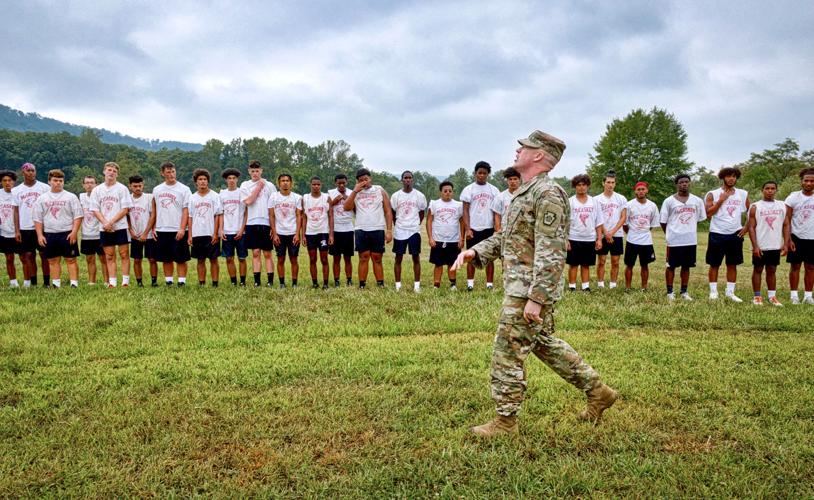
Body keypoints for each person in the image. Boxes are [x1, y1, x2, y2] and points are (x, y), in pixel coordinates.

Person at [453, 130, 617, 437]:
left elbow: (551, 251)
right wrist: (475, 251)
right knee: (542, 344)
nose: (518, 151)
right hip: (521, 287)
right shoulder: (525, 192)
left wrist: (537, 299)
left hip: (528, 291)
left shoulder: (548, 194)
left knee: (507, 351)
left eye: (524, 147)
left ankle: (505, 422)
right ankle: (598, 391)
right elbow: (508, 238)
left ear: (539, 155)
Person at [704, 167, 750, 301]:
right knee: (714, 264)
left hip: (735, 233)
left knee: (732, 264)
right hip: (717, 233)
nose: (731, 179)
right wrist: (720, 200)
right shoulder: (713, 193)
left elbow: (752, 211)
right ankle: (713, 292)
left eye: (734, 176)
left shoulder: (742, 194)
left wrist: (746, 227)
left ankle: (730, 293)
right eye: (729, 176)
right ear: (723, 177)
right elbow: (708, 214)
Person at [343, 168, 393, 288]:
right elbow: (346, 207)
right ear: (357, 181)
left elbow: (388, 211)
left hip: (377, 228)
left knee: (377, 258)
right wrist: (355, 191)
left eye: (366, 179)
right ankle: (362, 284)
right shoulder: (355, 193)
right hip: (361, 229)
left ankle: (380, 283)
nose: (364, 182)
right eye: (361, 180)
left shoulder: (379, 190)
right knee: (363, 257)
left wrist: (389, 230)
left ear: (370, 178)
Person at [32, 169, 82, 288]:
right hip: (50, 233)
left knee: (71, 259)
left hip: (67, 233)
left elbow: (78, 216)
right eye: (55, 180)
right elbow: (37, 218)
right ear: (49, 181)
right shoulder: (42, 198)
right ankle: (56, 284)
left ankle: (74, 284)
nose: (58, 183)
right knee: (53, 260)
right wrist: (40, 235)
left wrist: (74, 232)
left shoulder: (71, 197)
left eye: (60, 180)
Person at [660, 174, 706, 301]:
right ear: (677, 184)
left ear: (690, 183)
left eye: (686, 182)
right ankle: (670, 292)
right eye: (681, 182)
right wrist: (670, 233)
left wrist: (687, 229)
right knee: (671, 266)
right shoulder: (669, 201)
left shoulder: (697, 201)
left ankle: (684, 292)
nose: (684, 184)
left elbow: (699, 219)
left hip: (690, 240)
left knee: (686, 266)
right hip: (674, 240)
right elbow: (663, 221)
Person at [91, 161, 133, 288]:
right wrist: (105, 223)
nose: (111, 173)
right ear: (104, 171)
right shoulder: (97, 190)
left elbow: (125, 209)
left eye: (114, 171)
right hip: (104, 227)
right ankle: (112, 282)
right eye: (109, 170)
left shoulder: (122, 189)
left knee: (124, 254)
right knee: (109, 255)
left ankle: (125, 281)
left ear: (117, 174)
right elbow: (95, 209)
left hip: (120, 226)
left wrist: (111, 222)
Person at [150, 161, 192, 286]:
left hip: (178, 229)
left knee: (181, 258)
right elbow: (155, 210)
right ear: (162, 173)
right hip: (162, 228)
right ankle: (169, 281)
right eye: (168, 172)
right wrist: (153, 228)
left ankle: (181, 282)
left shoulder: (184, 189)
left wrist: (182, 228)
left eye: (173, 171)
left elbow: (186, 210)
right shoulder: (157, 189)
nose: (171, 174)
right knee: (166, 258)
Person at [461, 161, 500, 291]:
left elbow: (496, 211)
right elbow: (465, 210)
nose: (482, 175)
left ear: (488, 174)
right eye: (479, 173)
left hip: (488, 227)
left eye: (484, 173)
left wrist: (496, 227)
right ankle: (470, 284)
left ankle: (489, 285)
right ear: (475, 173)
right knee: (471, 256)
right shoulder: (468, 189)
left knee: (489, 258)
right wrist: (467, 229)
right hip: (473, 228)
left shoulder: (494, 190)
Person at [748, 181, 786, 306]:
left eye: (773, 188)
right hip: (761, 245)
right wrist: (755, 246)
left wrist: (785, 243)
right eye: (767, 188)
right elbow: (751, 227)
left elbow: (786, 224)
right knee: (758, 269)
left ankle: (772, 297)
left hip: (775, 244)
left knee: (772, 270)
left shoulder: (782, 205)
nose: (770, 191)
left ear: (776, 190)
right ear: (762, 190)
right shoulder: (755, 206)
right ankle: (757, 297)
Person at [12, 162, 50, 287]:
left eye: (33, 170)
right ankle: (33, 282)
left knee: (44, 254)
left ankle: (46, 282)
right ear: (23, 173)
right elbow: (16, 211)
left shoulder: (44, 188)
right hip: (25, 227)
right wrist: (17, 230)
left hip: (41, 227)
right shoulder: (16, 190)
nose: (31, 173)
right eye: (28, 171)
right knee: (29, 255)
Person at [240, 160, 277, 287]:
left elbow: (274, 207)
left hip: (266, 222)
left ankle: (270, 281)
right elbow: (249, 201)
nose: (255, 173)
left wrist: (274, 227)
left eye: (257, 171)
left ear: (261, 171)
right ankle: (257, 281)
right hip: (252, 222)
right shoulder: (245, 185)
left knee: (267, 252)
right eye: (252, 171)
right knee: (255, 252)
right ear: (249, 171)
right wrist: (259, 186)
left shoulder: (270, 185)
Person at [391, 171, 427, 292]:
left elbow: (422, 212)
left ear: (413, 180)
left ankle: (417, 286)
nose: (407, 180)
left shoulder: (419, 195)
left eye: (409, 178)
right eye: (405, 178)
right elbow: (392, 212)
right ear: (402, 180)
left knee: (416, 258)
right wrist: (397, 224)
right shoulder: (396, 196)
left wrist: (416, 223)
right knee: (398, 258)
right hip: (400, 230)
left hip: (413, 230)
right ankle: (398, 286)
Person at [567, 174, 603, 291]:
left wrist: (599, 239)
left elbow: (598, 222)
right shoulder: (570, 202)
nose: (581, 187)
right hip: (574, 237)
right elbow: (565, 222)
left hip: (589, 238)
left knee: (585, 264)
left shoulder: (594, 202)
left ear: (587, 186)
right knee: (573, 264)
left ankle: (585, 286)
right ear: (575, 187)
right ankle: (572, 286)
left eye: (584, 185)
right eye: (579, 185)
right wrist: (566, 239)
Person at [784, 167, 814, 305]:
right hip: (796, 237)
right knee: (795, 266)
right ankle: (794, 295)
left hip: (812, 237)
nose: (809, 183)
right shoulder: (793, 197)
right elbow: (787, 220)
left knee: (811, 267)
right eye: (806, 180)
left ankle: (808, 296)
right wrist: (788, 239)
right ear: (801, 181)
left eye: (812, 181)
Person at [188, 169, 222, 287]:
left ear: (208, 181)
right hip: (197, 233)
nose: (202, 182)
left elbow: (217, 215)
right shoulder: (192, 198)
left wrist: (215, 233)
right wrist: (190, 235)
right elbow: (190, 217)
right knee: (200, 260)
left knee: (213, 259)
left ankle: (215, 283)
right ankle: (201, 283)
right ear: (196, 182)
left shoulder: (215, 196)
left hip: (210, 233)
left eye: (204, 179)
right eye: (200, 180)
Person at [623, 182, 659, 291]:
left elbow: (652, 224)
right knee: (629, 265)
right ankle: (628, 287)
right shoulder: (629, 205)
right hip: (632, 239)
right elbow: (625, 223)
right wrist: (632, 233)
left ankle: (644, 287)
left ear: (647, 190)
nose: (641, 191)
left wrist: (644, 231)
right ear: (635, 191)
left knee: (645, 265)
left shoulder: (652, 206)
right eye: (638, 189)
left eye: (643, 189)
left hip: (646, 240)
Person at [427, 181, 464, 289]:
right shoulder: (434, 204)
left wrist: (461, 238)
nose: (447, 193)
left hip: (453, 239)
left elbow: (462, 222)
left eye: (450, 191)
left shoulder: (458, 205)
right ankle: (436, 284)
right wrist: (430, 237)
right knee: (438, 264)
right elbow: (429, 220)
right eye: (445, 191)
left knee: (452, 263)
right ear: (440, 192)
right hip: (438, 239)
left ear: (452, 192)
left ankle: (453, 284)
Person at [594, 171, 627, 289]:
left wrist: (612, 232)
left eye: (612, 182)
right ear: (603, 183)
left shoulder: (621, 198)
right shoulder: (597, 199)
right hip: (602, 234)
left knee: (615, 261)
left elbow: (623, 217)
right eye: (608, 182)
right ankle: (600, 284)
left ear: (615, 184)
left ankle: (613, 284)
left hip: (616, 234)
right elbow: (596, 218)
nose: (610, 185)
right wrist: (605, 233)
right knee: (602, 260)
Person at [270, 173, 302, 288]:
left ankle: (294, 283)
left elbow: (299, 216)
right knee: (280, 259)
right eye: (282, 181)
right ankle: (282, 283)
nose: (285, 182)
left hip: (293, 233)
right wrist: (274, 234)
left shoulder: (297, 197)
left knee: (294, 259)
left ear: (291, 183)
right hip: (280, 233)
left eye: (287, 180)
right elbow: (271, 216)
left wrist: (297, 234)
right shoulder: (273, 197)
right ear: (278, 184)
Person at [302, 176, 333, 289]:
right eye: (314, 184)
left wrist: (331, 234)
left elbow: (330, 216)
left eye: (318, 184)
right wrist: (303, 235)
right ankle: (315, 283)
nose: (316, 186)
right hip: (310, 233)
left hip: (323, 233)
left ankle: (325, 283)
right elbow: (304, 217)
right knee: (312, 259)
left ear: (321, 185)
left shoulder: (326, 198)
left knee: (324, 259)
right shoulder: (305, 198)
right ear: (310, 185)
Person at [127, 175, 158, 287]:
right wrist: (130, 230)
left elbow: (153, 216)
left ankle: (154, 282)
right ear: (130, 186)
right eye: (135, 186)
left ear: (143, 185)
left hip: (148, 234)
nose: (138, 188)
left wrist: (146, 233)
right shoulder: (127, 199)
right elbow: (126, 217)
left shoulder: (149, 197)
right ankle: (139, 282)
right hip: (135, 235)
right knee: (137, 259)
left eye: (140, 186)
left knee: (152, 259)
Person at [219, 168, 248, 286]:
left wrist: (242, 229)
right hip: (227, 231)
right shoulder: (222, 194)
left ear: (237, 179)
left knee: (242, 258)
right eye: (229, 178)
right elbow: (220, 213)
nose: (231, 180)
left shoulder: (242, 192)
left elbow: (246, 212)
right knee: (229, 258)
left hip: (240, 231)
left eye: (234, 178)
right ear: (226, 180)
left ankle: (242, 281)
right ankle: (233, 281)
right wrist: (221, 230)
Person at [79, 175, 108, 286]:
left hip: (100, 232)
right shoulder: (81, 197)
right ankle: (92, 281)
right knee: (89, 259)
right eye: (87, 182)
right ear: (83, 185)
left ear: (96, 185)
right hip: (87, 234)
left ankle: (107, 281)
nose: (89, 185)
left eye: (92, 182)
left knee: (103, 259)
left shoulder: (101, 196)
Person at [328, 174, 354, 286]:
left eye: (344, 183)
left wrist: (347, 200)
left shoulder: (352, 193)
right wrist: (333, 202)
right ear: (335, 183)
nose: (342, 185)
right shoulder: (330, 193)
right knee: (336, 257)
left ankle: (349, 279)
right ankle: (337, 280)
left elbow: (356, 208)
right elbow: (326, 209)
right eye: (339, 183)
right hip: (336, 229)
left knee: (348, 257)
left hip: (348, 228)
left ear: (347, 182)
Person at [0, 170, 20, 287]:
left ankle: (28, 282)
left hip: (18, 230)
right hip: (4, 231)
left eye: (10, 180)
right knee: (9, 257)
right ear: (1, 182)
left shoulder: (17, 193)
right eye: (4, 181)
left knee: (24, 256)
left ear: (14, 182)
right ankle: (13, 282)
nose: (7, 183)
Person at [491, 167, 521, 232]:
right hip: (505, 231)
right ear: (507, 181)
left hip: (520, 233)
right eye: (510, 179)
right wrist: (498, 230)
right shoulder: (500, 197)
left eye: (515, 179)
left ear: (519, 180)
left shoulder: (524, 195)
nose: (513, 182)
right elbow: (497, 216)